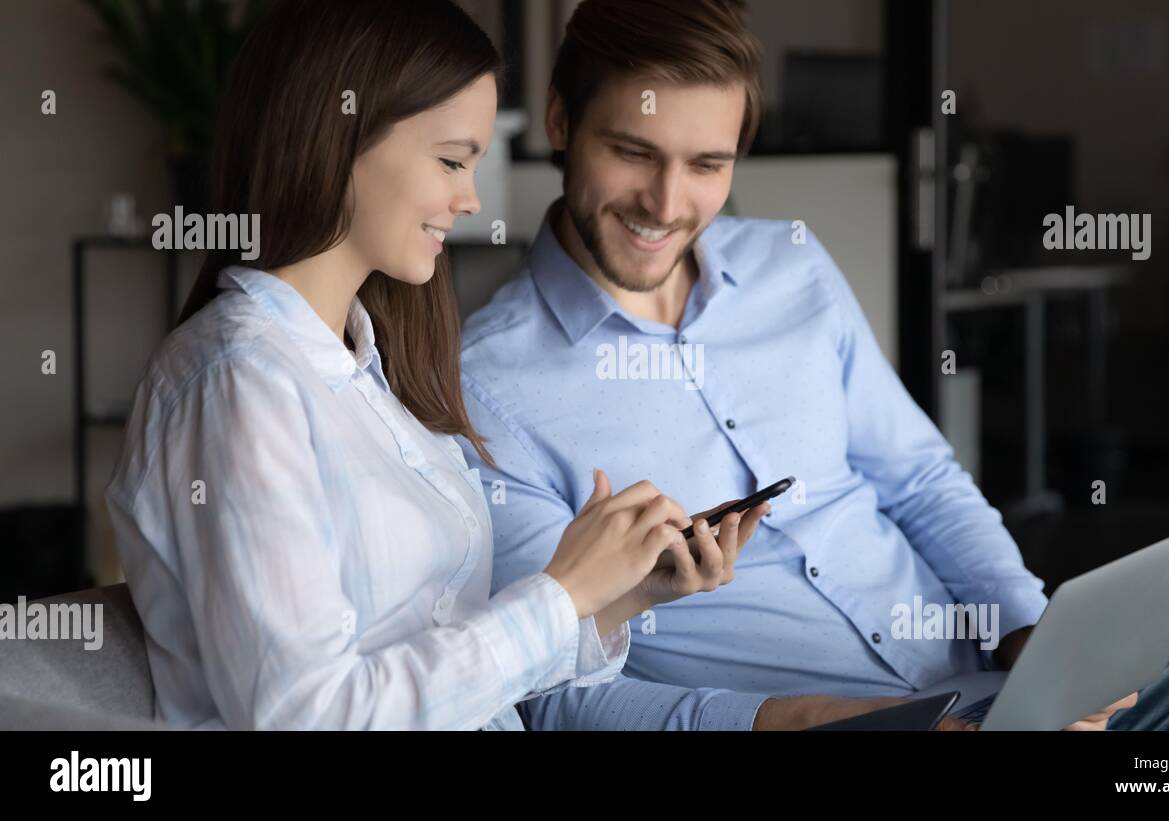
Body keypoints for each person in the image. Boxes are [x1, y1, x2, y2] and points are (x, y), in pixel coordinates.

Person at [459, 0, 1169, 731]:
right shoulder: (486, 385)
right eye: (634, 152)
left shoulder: (791, 264)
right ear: (562, 120)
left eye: (707, 164)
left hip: (999, 679)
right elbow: (554, 693)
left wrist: (1031, 636)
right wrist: (825, 721)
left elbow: (920, 478)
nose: (668, 203)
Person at [105, 0, 760, 731]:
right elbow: (304, 715)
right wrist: (560, 592)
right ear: (337, 135)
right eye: (452, 159)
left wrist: (617, 593)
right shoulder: (236, 381)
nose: (470, 198)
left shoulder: (373, 374)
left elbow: (448, 668)